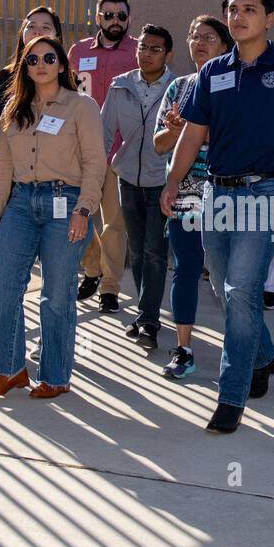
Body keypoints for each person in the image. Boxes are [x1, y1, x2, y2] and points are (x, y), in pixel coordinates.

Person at [161, 0, 274, 434]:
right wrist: (174, 182)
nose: (239, 16)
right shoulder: (213, 73)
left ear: (269, 18)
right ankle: (264, 353)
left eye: (249, 9)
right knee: (225, 289)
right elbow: (193, 133)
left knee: (241, 293)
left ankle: (230, 396)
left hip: (268, 191)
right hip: (216, 190)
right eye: (233, 8)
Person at [0, 36, 105, 399]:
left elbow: (96, 162)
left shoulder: (81, 106)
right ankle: (11, 369)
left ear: (62, 64)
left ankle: (54, 375)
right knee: (3, 284)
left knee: (56, 293)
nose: (41, 63)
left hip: (64, 203)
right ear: (25, 66)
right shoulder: (12, 108)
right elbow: (2, 166)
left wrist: (84, 209)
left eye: (50, 57)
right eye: (32, 59)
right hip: (19, 203)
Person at [0, 5, 64, 359]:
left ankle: (48, 341)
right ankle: (4, 335)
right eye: (31, 26)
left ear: (56, 37)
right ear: (21, 34)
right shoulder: (6, 77)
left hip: (51, 189)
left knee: (53, 275)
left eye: (46, 27)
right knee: (0, 268)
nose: (37, 31)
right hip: (7, 185)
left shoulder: (66, 83)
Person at [153, 15, 233, 378]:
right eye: (194, 36)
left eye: (209, 37)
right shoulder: (179, 88)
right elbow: (159, 144)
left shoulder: (235, 87)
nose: (200, 42)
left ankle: (243, 347)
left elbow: (239, 141)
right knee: (185, 269)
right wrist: (175, 133)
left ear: (225, 46)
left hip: (229, 192)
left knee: (227, 275)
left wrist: (195, 132)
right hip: (185, 192)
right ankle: (183, 349)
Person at [101, 24, 175, 350]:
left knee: (155, 252)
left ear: (168, 54)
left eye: (155, 49)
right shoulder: (121, 87)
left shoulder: (179, 88)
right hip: (128, 179)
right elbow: (104, 133)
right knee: (137, 251)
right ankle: (147, 313)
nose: (146, 54)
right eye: (143, 47)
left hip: (163, 181)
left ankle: (148, 321)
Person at [69, 0, 137, 313]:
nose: (114, 21)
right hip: (80, 148)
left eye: (120, 16)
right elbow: (67, 95)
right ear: (97, 17)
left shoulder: (138, 52)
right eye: (107, 15)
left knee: (114, 222)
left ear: (128, 19)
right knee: (77, 212)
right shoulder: (78, 51)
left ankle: (109, 287)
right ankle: (93, 268)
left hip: (119, 151)